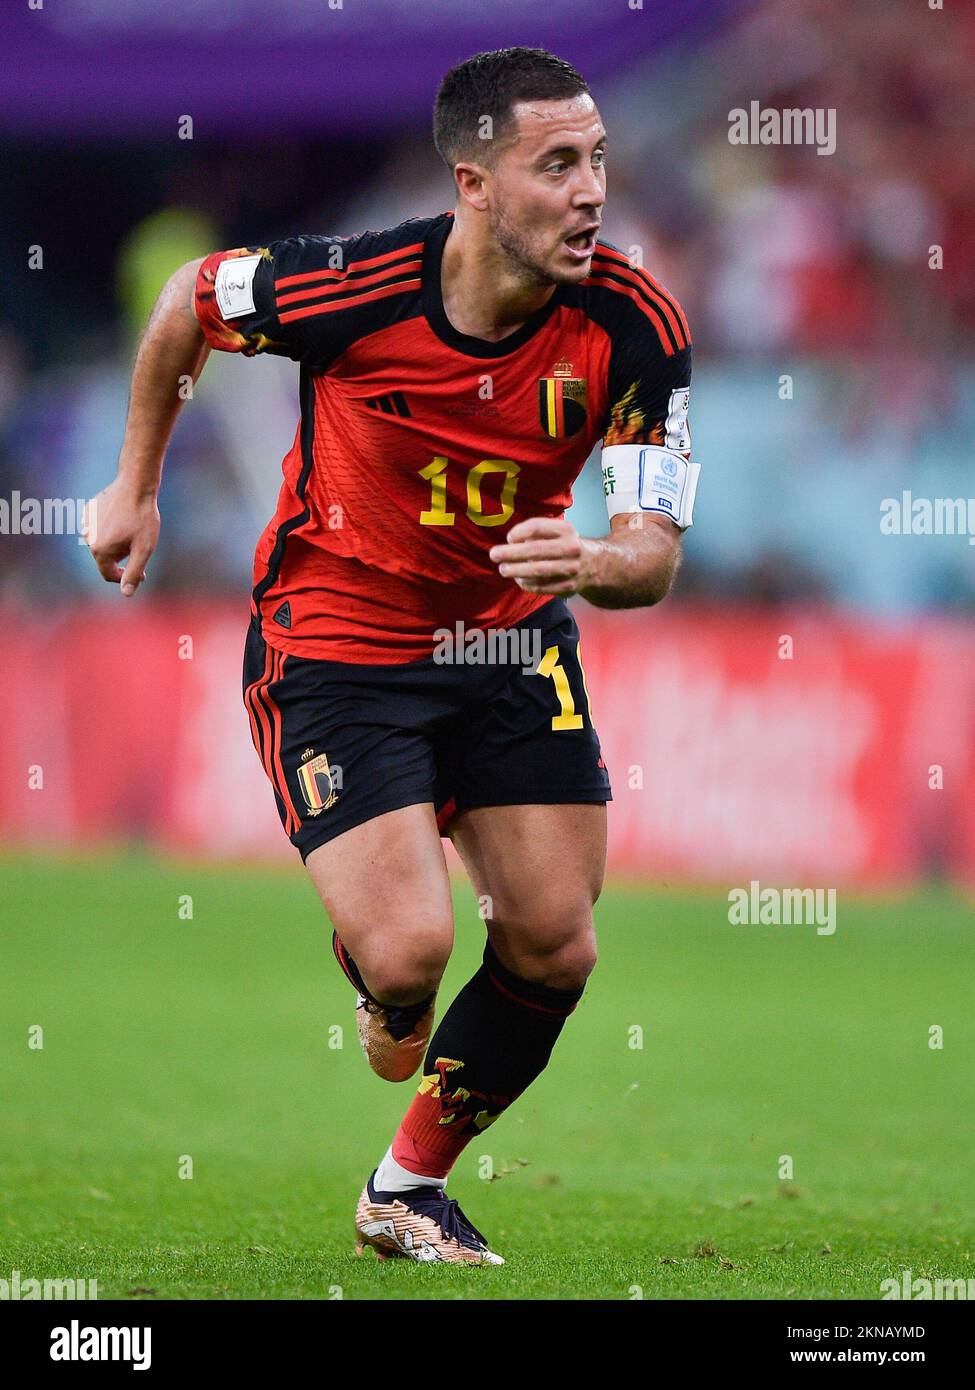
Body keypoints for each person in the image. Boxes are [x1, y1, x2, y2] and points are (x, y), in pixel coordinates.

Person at [85, 47, 698, 1265]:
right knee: (412, 959)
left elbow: (652, 553)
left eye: (600, 163)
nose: (591, 193)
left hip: (509, 642)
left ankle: (406, 1189)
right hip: (338, 639)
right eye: (557, 165)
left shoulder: (634, 325)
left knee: (554, 941)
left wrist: (589, 561)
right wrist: (132, 485)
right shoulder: (350, 285)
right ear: (475, 183)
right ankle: (384, 970)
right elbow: (184, 307)